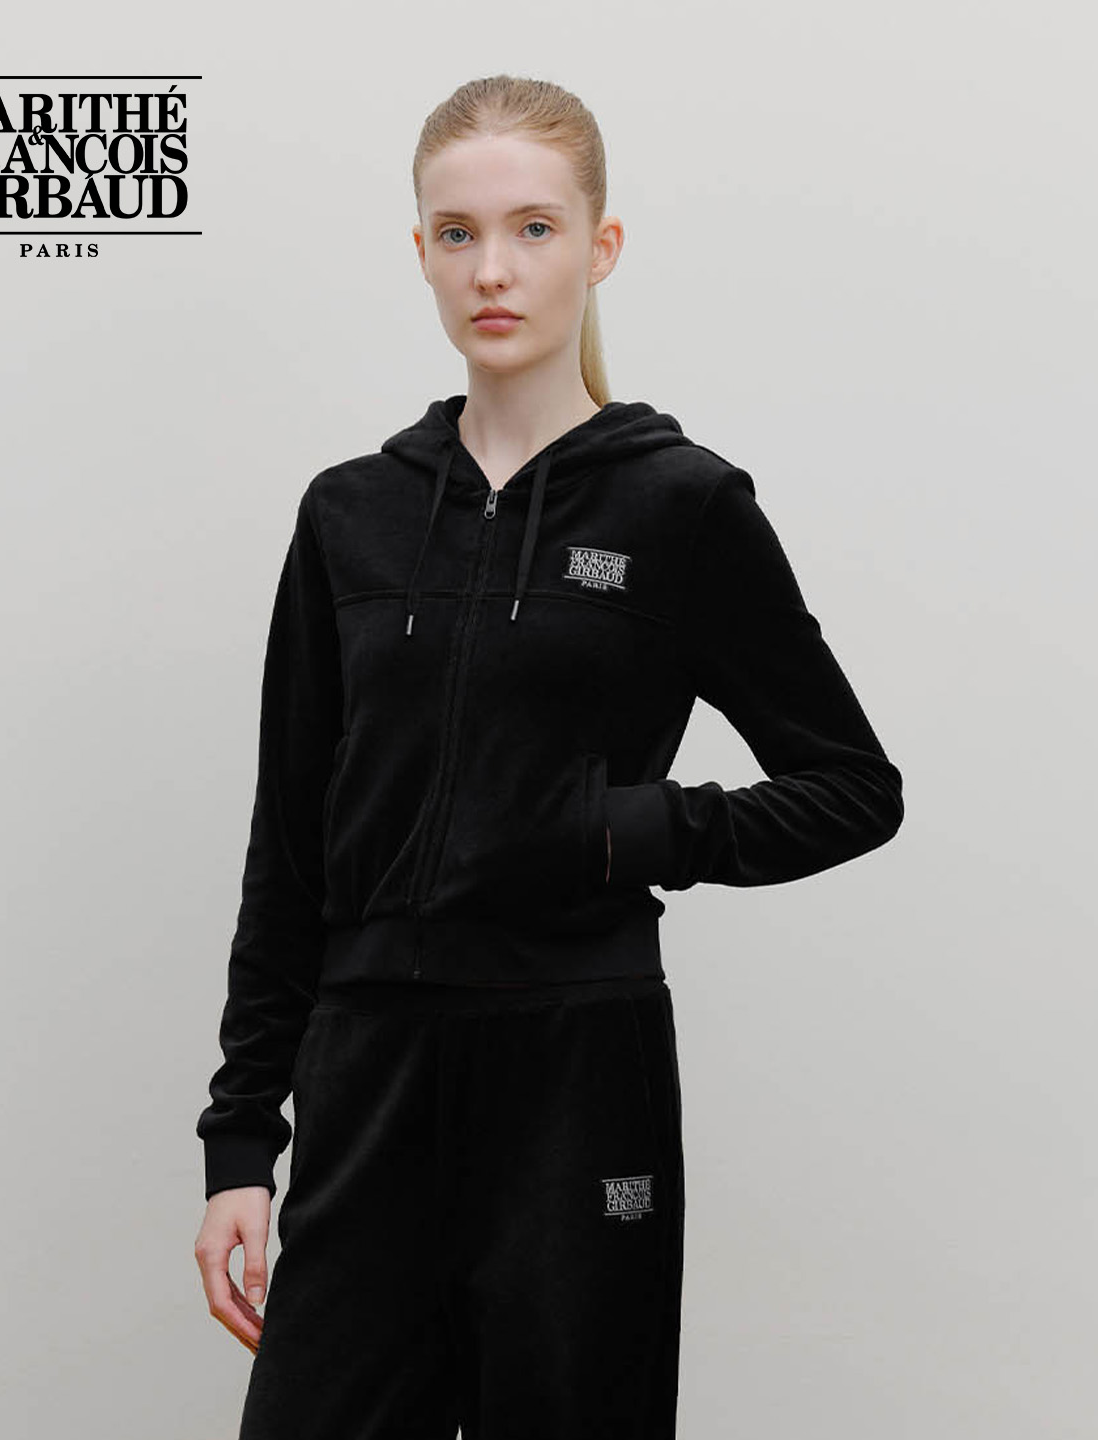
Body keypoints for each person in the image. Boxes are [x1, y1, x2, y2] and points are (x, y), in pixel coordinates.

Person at [193, 73, 904, 1439]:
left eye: (533, 228)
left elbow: (853, 789)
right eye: (457, 234)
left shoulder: (683, 505)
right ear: (420, 251)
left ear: (601, 246)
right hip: (369, 1074)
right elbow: (288, 847)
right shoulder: (351, 515)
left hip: (579, 1079)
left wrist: (629, 831)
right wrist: (241, 1145)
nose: (493, 270)